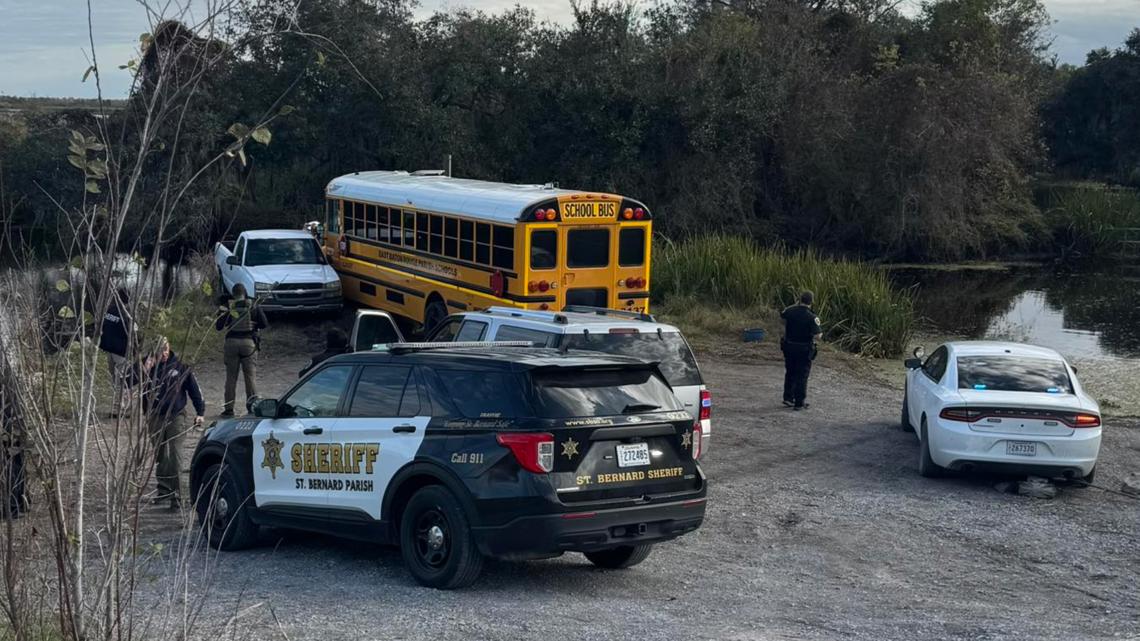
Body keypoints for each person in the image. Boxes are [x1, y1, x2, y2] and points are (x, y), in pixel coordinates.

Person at [141, 336, 205, 509]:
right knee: (161, 455)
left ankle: (178, 496)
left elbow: (194, 390)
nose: (164, 353)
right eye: (161, 350)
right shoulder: (146, 366)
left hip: (177, 415)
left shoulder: (181, 367)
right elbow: (128, 382)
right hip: (155, 416)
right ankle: (164, 490)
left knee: (175, 456)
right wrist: (144, 370)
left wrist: (200, 412)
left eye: (166, 349)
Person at [214, 283, 268, 417]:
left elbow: (219, 327)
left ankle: (229, 409)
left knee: (231, 378)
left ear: (233, 294)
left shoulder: (228, 307)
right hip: (249, 344)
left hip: (231, 343)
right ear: (245, 293)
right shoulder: (253, 306)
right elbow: (264, 324)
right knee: (250, 377)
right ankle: (252, 407)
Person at [97, 288, 136, 415]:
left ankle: (119, 406)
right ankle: (125, 408)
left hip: (110, 349)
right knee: (124, 379)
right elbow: (132, 333)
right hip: (121, 351)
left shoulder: (109, 311)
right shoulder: (127, 315)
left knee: (115, 379)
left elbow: (102, 328)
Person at [780, 290, 822, 411]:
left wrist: (795, 304)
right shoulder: (811, 316)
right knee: (802, 375)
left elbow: (782, 314)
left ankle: (788, 397)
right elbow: (818, 335)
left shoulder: (790, 311)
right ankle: (799, 402)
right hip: (804, 349)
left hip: (789, 347)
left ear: (800, 300)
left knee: (790, 372)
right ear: (811, 302)